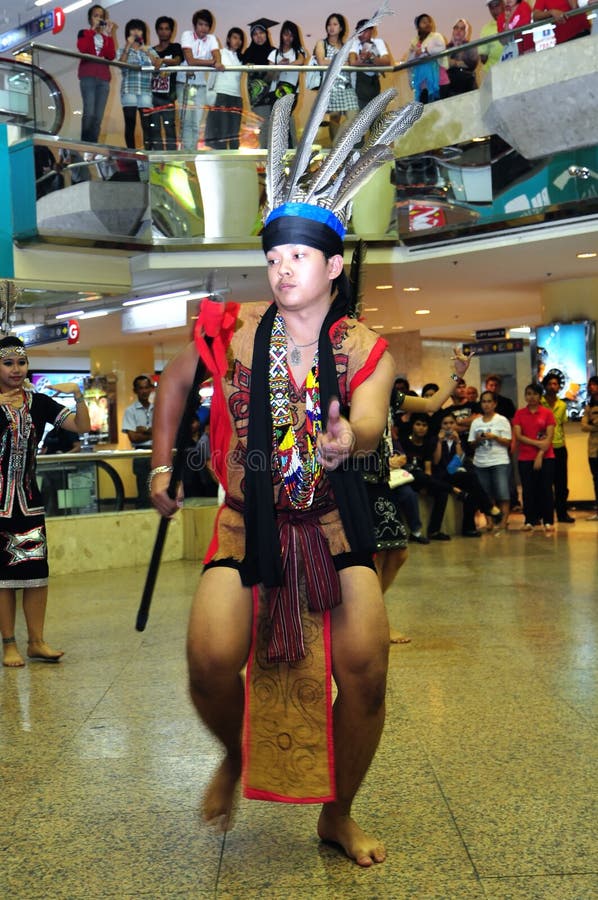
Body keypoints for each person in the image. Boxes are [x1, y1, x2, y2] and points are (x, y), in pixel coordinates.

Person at [150, 47, 425, 865]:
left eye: (296, 257)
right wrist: (163, 466)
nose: (279, 269)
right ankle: (237, 751)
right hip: (247, 522)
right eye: (272, 258)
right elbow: (171, 383)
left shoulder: (362, 343)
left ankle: (338, 812)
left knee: (368, 664)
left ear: (334, 267)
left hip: (335, 525)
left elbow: (370, 418)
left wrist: (352, 437)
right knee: (207, 658)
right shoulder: (231, 330)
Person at [0, 337, 90, 667]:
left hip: (29, 502)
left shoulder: (37, 402)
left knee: (36, 572)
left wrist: (78, 394)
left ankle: (36, 641)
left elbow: (82, 425)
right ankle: (9, 644)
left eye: (21, 363)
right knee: (3, 578)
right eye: (8, 363)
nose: (16, 369)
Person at [433, 411, 502, 536]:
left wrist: (458, 441)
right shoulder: (435, 439)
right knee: (471, 477)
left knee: (471, 489)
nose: (448, 426)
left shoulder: (458, 441)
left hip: (454, 473)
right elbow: (436, 461)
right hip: (440, 475)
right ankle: (488, 506)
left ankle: (469, 528)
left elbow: (457, 462)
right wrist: (439, 441)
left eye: (451, 423)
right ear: (440, 425)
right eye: (445, 423)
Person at [177, 10, 223, 151]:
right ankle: (185, 155)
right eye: (200, 24)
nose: (203, 28)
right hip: (184, 83)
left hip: (200, 85)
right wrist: (211, 63)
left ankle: (192, 155)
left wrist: (217, 62)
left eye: (206, 25)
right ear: (195, 25)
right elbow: (190, 60)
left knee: (196, 123)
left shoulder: (211, 38)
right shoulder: (187, 35)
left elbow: (217, 58)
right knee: (186, 122)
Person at [512, 383, 556, 532]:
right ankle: (529, 520)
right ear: (525, 396)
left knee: (546, 489)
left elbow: (549, 439)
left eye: (535, 394)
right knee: (528, 490)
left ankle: (548, 521)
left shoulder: (547, 413)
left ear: (540, 396)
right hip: (525, 457)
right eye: (528, 393)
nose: (531, 397)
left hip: (546, 457)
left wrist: (540, 455)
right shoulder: (519, 413)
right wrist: (537, 443)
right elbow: (518, 436)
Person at [468, 390, 512, 528]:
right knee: (485, 495)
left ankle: (503, 523)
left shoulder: (502, 420)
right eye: (483, 402)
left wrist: (495, 437)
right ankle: (490, 522)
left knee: (502, 493)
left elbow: (508, 442)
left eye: (489, 401)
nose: (486, 405)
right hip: (480, 462)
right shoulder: (476, 422)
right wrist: (478, 440)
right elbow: (471, 444)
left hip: (499, 461)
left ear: (495, 404)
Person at [314, 14, 360, 141]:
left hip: (347, 87)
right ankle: (336, 153)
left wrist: (335, 62)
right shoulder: (321, 43)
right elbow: (321, 62)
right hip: (331, 87)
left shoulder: (347, 46)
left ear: (341, 28)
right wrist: (342, 62)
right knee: (334, 119)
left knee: (354, 117)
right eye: (329, 24)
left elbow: (351, 63)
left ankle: (336, 147)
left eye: (335, 24)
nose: (331, 27)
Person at [118, 19, 161, 149]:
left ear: (143, 33)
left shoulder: (149, 50)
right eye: (133, 29)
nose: (136, 32)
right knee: (130, 123)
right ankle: (132, 154)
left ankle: (148, 153)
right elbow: (121, 64)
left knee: (147, 125)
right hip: (129, 89)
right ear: (128, 32)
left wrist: (146, 51)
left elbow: (158, 64)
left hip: (145, 90)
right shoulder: (122, 49)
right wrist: (127, 46)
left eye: (139, 29)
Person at [77, 4, 116, 144]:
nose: (99, 19)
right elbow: (83, 48)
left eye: (101, 16)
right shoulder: (84, 33)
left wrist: (109, 35)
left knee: (98, 116)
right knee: (89, 112)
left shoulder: (105, 38)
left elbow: (111, 55)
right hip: (88, 77)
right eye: (96, 16)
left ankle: (93, 145)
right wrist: (92, 30)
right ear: (90, 19)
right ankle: (85, 144)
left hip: (104, 79)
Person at [204, 27, 245, 150]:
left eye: (240, 39)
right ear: (228, 39)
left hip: (237, 98)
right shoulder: (220, 53)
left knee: (234, 133)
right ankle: (221, 163)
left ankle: (234, 165)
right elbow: (212, 75)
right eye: (235, 37)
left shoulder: (241, 59)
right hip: (221, 95)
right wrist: (210, 93)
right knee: (221, 132)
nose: (237, 41)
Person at [267, 21, 306, 147]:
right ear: (281, 35)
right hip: (275, 92)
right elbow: (270, 75)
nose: (288, 38)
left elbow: (300, 61)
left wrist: (286, 65)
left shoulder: (298, 51)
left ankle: (288, 149)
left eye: (291, 35)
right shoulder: (274, 53)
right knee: (278, 122)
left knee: (285, 120)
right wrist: (279, 67)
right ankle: (281, 149)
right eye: (285, 34)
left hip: (292, 91)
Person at [542, 371, 574, 523]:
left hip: (560, 447)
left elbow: (561, 425)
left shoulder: (562, 405)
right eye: (549, 384)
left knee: (562, 484)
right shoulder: (539, 403)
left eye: (555, 384)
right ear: (545, 385)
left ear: (559, 387)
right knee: (545, 483)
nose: (552, 386)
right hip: (543, 447)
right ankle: (545, 515)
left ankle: (562, 514)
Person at [242, 18, 278, 150]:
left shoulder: (274, 52)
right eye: (255, 34)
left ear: (266, 34)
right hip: (258, 99)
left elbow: (276, 75)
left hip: (274, 96)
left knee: (275, 130)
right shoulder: (248, 53)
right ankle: (264, 162)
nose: (259, 37)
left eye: (261, 33)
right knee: (263, 128)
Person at [148, 16, 183, 150]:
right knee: (155, 130)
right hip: (153, 97)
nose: (164, 32)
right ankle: (157, 163)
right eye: (161, 29)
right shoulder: (151, 51)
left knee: (170, 130)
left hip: (168, 97)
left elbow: (177, 60)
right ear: (157, 31)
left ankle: (172, 162)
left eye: (167, 29)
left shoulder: (175, 47)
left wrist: (162, 61)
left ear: (171, 31)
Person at [122, 375, 154, 508]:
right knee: (143, 491)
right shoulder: (130, 411)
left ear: (151, 389)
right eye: (140, 388)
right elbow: (133, 438)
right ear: (135, 391)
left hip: (158, 451)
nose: (144, 391)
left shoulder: (158, 408)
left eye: (147, 387)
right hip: (140, 453)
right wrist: (152, 432)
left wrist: (144, 431)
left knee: (160, 488)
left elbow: (164, 432)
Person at [405, 14, 450, 104]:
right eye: (424, 22)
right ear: (418, 27)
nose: (427, 24)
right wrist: (416, 54)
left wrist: (423, 50)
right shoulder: (414, 42)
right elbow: (409, 60)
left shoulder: (436, 36)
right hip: (422, 85)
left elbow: (441, 48)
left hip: (439, 81)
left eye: (429, 22)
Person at [348, 19, 391, 110]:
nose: (361, 35)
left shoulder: (378, 42)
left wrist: (370, 57)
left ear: (372, 31)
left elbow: (387, 61)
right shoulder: (354, 43)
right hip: (358, 88)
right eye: (359, 32)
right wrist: (374, 62)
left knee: (376, 115)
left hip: (374, 85)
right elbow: (352, 62)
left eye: (365, 31)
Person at [446, 19, 479, 95]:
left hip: (468, 87)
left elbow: (472, 64)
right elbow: (441, 65)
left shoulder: (470, 46)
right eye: (456, 28)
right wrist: (459, 63)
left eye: (462, 29)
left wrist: (453, 63)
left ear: (466, 32)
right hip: (450, 90)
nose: (458, 31)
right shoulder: (446, 48)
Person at [581, 375, 598, 520]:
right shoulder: (589, 406)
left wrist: (594, 423)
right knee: (596, 480)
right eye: (590, 385)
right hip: (593, 449)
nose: (591, 387)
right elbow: (584, 426)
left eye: (594, 384)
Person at [479, 0, 505, 74]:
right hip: (493, 73)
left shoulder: (514, 19)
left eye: (497, 5)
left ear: (503, 3)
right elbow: (483, 59)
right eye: (491, 7)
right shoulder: (485, 29)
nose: (494, 10)